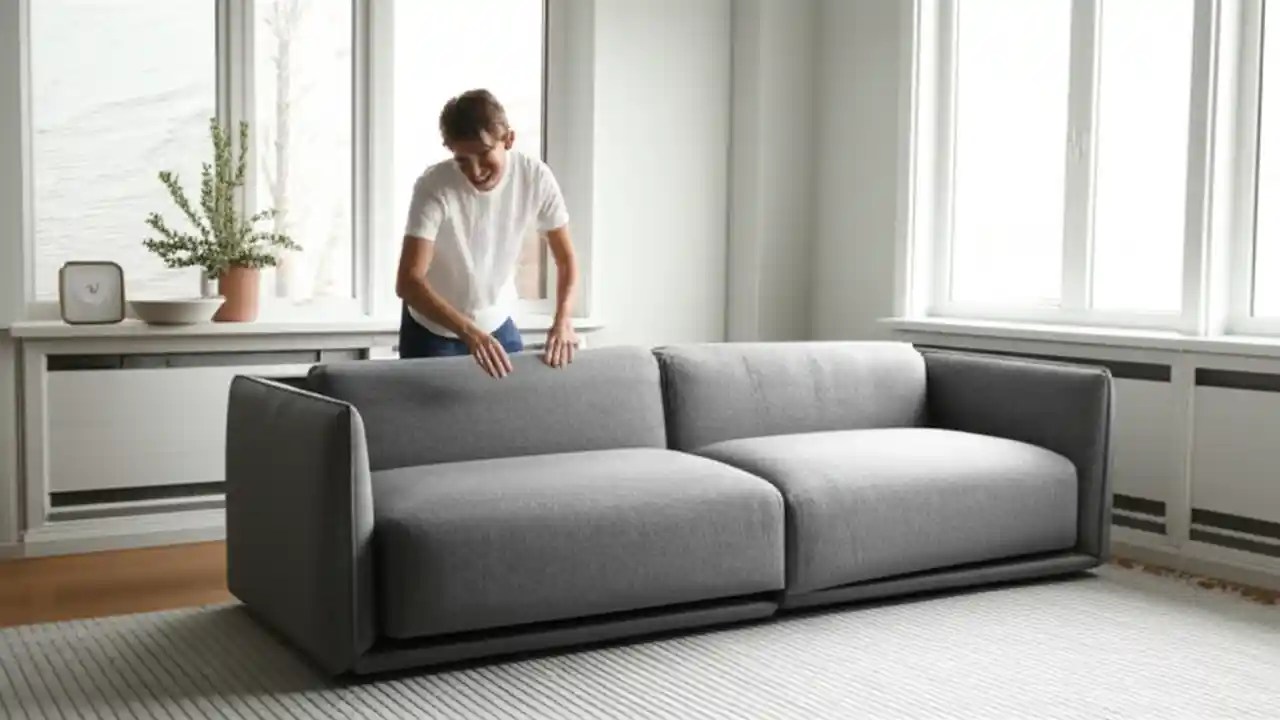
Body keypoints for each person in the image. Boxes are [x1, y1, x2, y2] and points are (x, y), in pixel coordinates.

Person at [395, 89, 579, 378]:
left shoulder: (535, 177)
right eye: (462, 160)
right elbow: (408, 282)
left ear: (508, 139)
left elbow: (566, 259)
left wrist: (563, 320)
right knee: (433, 423)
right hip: (432, 330)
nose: (476, 170)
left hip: (495, 320)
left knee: (514, 410)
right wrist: (469, 332)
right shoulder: (433, 186)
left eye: (483, 154)